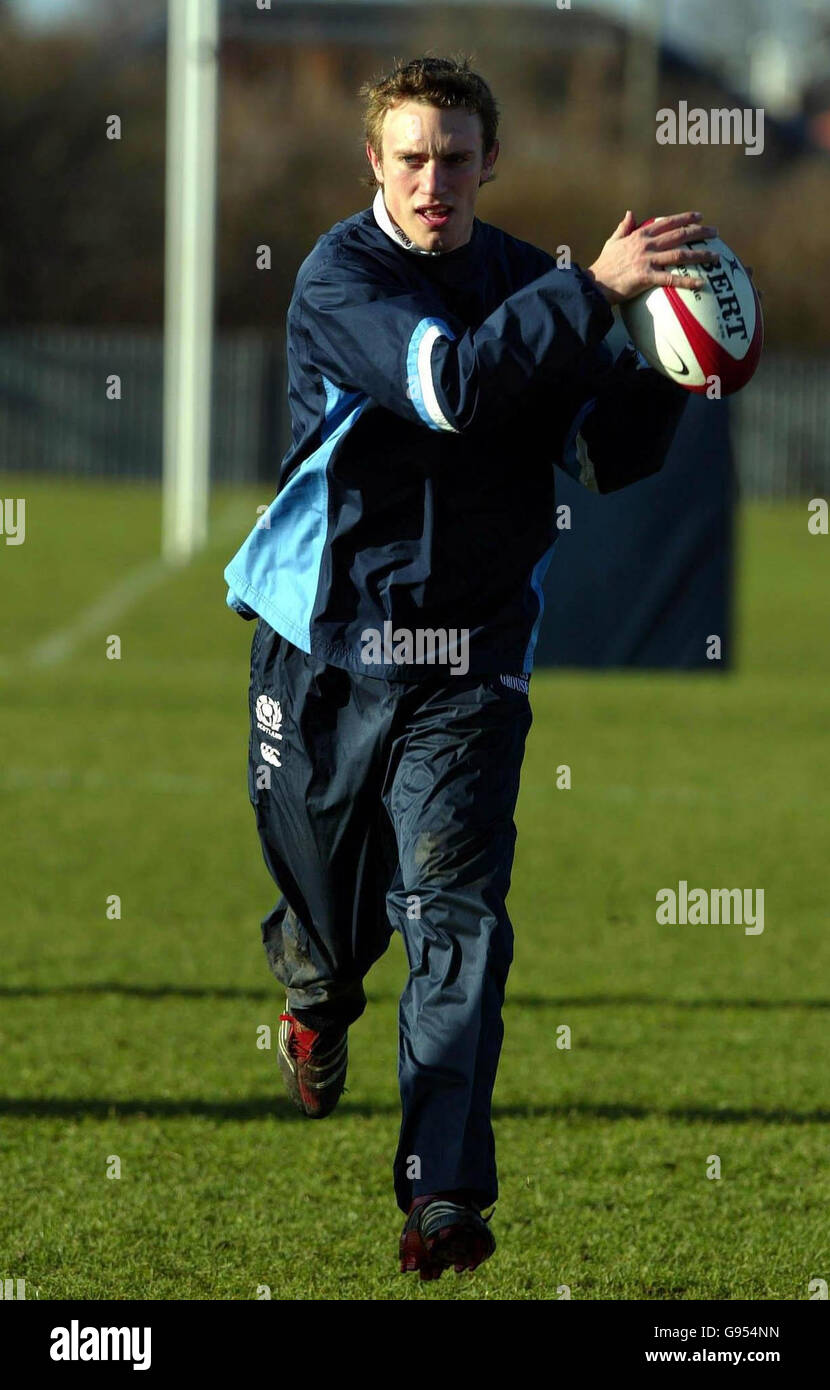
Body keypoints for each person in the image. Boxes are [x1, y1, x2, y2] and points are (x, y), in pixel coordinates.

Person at [224, 54, 717, 1282]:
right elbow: (447, 383)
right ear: (374, 168)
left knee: (457, 922)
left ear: (489, 162)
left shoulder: (533, 282)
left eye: (455, 156)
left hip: (470, 662)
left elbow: (603, 458)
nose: (434, 178)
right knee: (335, 936)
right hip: (328, 645)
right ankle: (314, 992)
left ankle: (441, 1194)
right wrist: (592, 294)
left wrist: (676, 365)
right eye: (411, 157)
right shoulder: (342, 279)